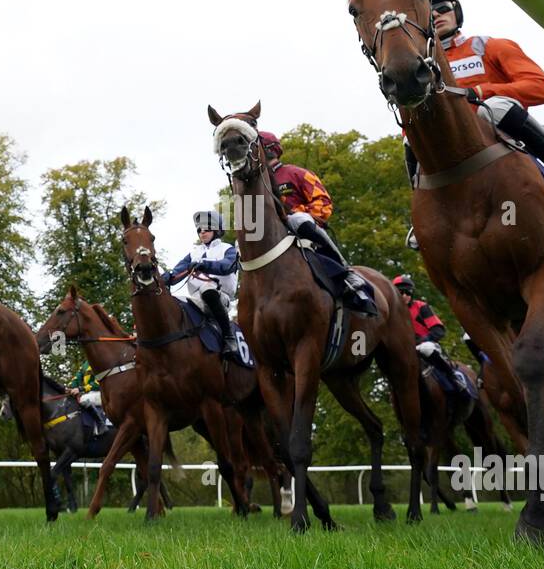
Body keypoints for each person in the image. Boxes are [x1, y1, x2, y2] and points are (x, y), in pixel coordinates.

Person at [406, 0, 544, 247]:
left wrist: (481, 91)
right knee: (411, 135)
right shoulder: (422, 64)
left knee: (497, 105)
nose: (437, 14)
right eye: (430, 11)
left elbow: (541, 87)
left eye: (443, 8)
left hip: (498, 132)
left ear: (457, 13)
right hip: (450, 146)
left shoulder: (490, 46)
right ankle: (424, 210)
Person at [259, 131, 370, 301]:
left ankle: (347, 273)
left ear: (268, 149)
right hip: (271, 234)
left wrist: (298, 213)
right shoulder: (257, 183)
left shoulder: (297, 173)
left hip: (298, 226)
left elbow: (323, 202)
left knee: (299, 219)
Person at [163, 210, 239, 355]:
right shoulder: (193, 253)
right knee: (173, 302)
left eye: (206, 229)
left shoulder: (228, 249)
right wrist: (163, 278)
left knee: (208, 289)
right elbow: (176, 273)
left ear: (216, 230)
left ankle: (229, 337)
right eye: (199, 230)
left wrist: (204, 264)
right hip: (196, 299)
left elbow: (227, 266)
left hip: (220, 297)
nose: (202, 233)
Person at [392, 274, 461, 388]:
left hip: (426, 346)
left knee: (426, 348)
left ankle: (452, 376)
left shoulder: (421, 306)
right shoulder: (392, 314)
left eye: (408, 292)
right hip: (405, 350)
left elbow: (438, 330)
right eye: (400, 292)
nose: (404, 295)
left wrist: (423, 340)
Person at [67, 363, 110, 435]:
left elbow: (99, 382)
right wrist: (69, 388)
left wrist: (81, 389)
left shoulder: (100, 360)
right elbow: (76, 379)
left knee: (83, 399)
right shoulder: (85, 365)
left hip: (102, 392)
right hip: (90, 393)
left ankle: (101, 424)